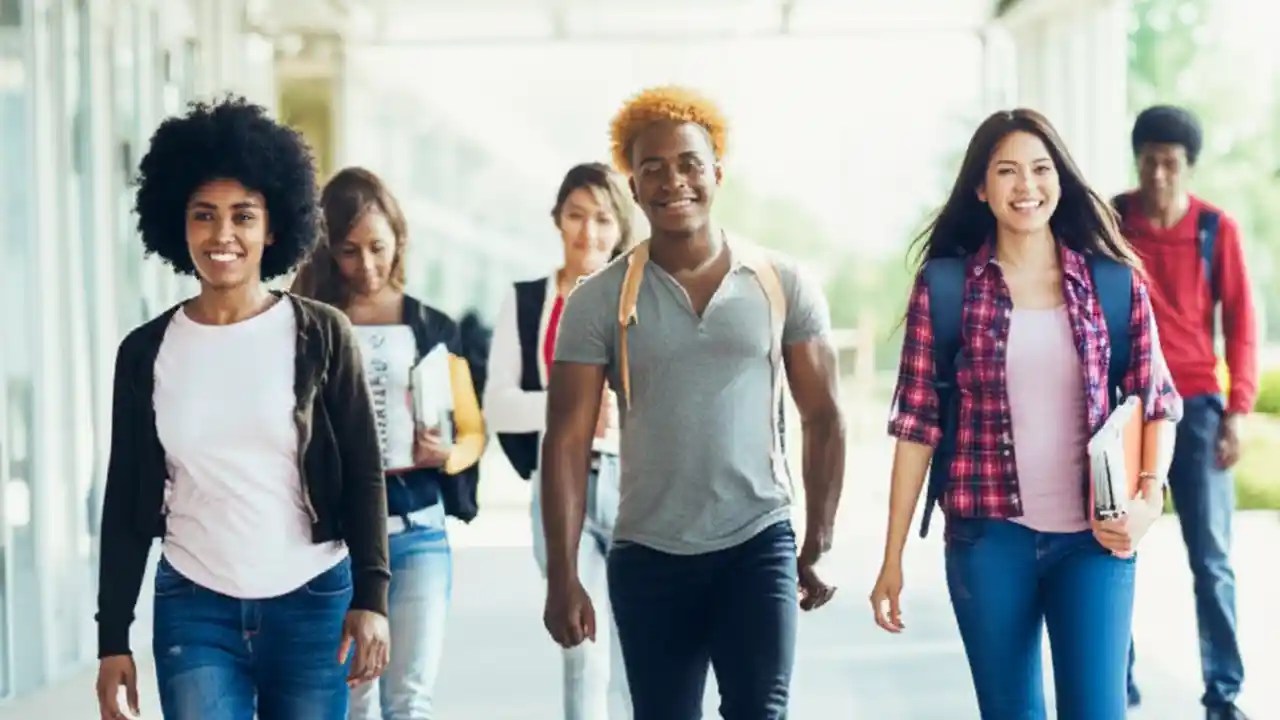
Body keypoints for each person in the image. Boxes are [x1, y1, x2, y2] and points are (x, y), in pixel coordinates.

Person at [540, 85, 846, 720]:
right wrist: (563, 576)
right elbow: (565, 441)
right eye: (653, 168)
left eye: (688, 164)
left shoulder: (781, 282)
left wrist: (817, 539)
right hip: (649, 554)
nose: (673, 180)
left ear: (716, 174)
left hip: (757, 540)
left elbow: (823, 417)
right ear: (633, 185)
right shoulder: (597, 301)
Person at [869, 108, 1182, 720]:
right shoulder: (947, 288)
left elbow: (1158, 402)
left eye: (1041, 169)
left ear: (1060, 180)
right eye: (1007, 171)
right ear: (981, 189)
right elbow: (916, 426)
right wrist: (892, 557)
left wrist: (1148, 501)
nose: (1026, 185)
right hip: (989, 539)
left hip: (1095, 540)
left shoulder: (1112, 283)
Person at [93, 97, 391, 720]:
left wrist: (372, 597)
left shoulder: (322, 334)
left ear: (273, 228)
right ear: (179, 226)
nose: (222, 235)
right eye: (204, 215)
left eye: (243, 216)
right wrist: (112, 636)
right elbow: (124, 498)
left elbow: (364, 471)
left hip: (312, 599)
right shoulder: (145, 353)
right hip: (195, 602)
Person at [292, 166, 487, 720]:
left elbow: (473, 432)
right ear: (328, 251)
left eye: (378, 247)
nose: (367, 265)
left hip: (418, 530)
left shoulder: (432, 327)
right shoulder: (307, 326)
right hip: (337, 542)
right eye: (349, 251)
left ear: (399, 240)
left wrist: (447, 454)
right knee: (353, 698)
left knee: (410, 701)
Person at [1114, 105, 1256, 720]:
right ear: (1137, 161)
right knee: (1113, 548)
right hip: (1126, 407)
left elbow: (1242, 323)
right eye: (1149, 162)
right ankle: (1115, 682)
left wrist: (1238, 410)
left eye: (1170, 164)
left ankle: (1223, 695)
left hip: (1197, 407)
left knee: (1212, 560)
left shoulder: (1214, 230)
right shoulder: (1112, 221)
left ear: (1187, 166)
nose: (1158, 175)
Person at [484, 162, 637, 720]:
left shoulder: (643, 295)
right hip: (559, 484)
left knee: (641, 649)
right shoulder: (528, 301)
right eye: (576, 215)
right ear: (557, 219)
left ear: (620, 228)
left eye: (602, 219)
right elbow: (498, 404)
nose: (588, 232)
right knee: (581, 649)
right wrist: (572, 408)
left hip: (637, 485)